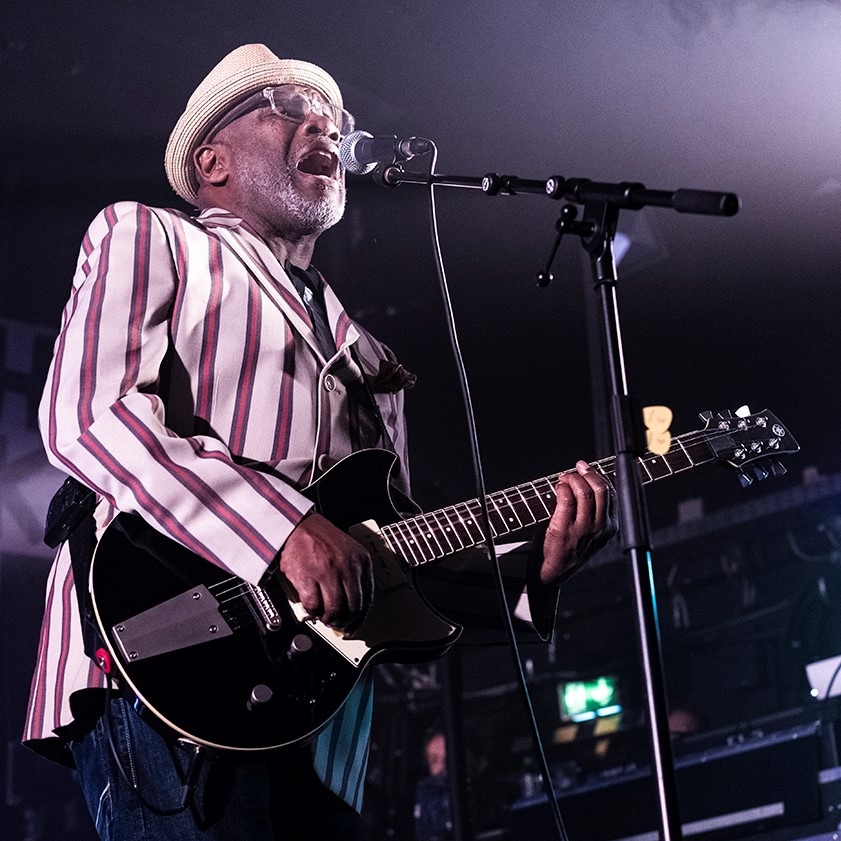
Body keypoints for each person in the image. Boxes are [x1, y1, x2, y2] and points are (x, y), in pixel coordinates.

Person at [23, 43, 616, 840]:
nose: (324, 125)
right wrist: (284, 529)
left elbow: (384, 555)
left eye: (333, 117)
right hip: (165, 669)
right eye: (286, 106)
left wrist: (529, 574)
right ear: (213, 161)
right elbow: (90, 417)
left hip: (318, 717)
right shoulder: (153, 237)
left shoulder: (370, 355)